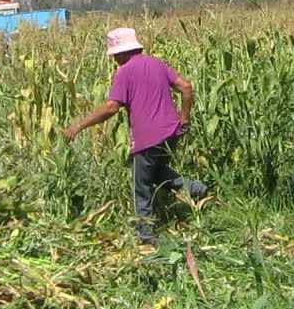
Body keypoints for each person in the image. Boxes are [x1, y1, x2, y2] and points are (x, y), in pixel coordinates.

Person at [64, 27, 207, 244]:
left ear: (121, 53)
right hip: (171, 132)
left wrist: (78, 126)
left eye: (114, 56)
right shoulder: (156, 64)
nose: (114, 61)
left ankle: (145, 235)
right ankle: (196, 188)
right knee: (157, 174)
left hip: (147, 138)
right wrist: (184, 118)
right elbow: (186, 87)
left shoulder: (125, 71)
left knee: (141, 186)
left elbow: (112, 107)